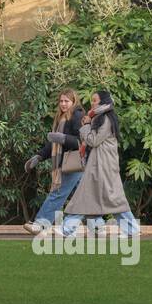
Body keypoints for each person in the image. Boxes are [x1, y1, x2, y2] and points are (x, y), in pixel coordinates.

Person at [59, 90, 139, 237]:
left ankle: (67, 229)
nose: (92, 103)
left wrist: (85, 126)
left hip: (104, 166)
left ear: (103, 101)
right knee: (103, 198)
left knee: (103, 198)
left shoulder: (105, 119)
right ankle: (130, 229)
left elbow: (93, 140)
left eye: (95, 100)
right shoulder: (99, 117)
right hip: (99, 165)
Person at [23, 88, 86, 234]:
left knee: (58, 193)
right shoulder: (61, 118)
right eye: (61, 101)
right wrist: (39, 157)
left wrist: (63, 138)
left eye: (66, 101)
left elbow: (82, 141)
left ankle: (41, 224)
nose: (63, 104)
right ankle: (98, 224)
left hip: (75, 163)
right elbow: (53, 143)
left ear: (74, 101)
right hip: (70, 163)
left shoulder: (77, 115)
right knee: (85, 198)